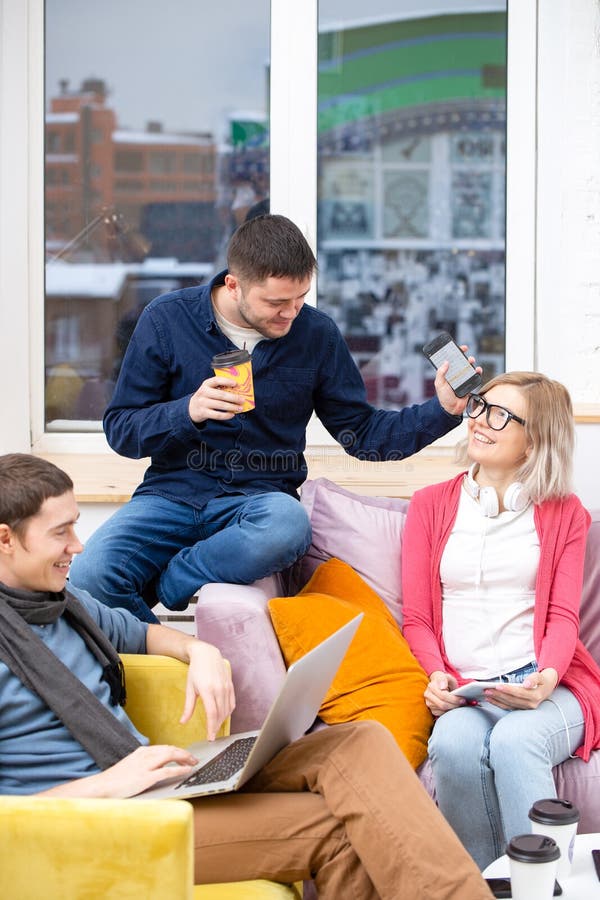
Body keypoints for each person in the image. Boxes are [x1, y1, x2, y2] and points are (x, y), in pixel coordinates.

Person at [0, 454, 493, 899]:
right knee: (341, 828)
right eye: (60, 533)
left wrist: (199, 651)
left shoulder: (66, 606)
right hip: (89, 826)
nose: (78, 546)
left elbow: (144, 634)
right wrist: (108, 785)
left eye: (75, 527)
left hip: (152, 785)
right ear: (5, 538)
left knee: (356, 741)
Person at [69, 214, 477, 624]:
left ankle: (172, 579)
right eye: (276, 303)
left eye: (300, 298)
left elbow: (365, 434)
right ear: (234, 284)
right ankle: (167, 650)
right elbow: (122, 430)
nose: (290, 314)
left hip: (260, 502)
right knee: (88, 576)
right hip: (171, 494)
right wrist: (187, 411)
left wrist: (442, 410)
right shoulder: (166, 319)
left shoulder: (316, 334)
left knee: (287, 526)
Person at [401, 372, 600, 871]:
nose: (479, 422)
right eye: (479, 407)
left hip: (549, 685)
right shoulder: (429, 506)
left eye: (500, 416)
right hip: (470, 690)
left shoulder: (565, 512)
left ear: (535, 440)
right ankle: (481, 887)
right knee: (452, 742)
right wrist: (436, 676)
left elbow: (562, 616)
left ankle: (544, 888)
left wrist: (546, 677)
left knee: (516, 740)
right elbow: (418, 619)